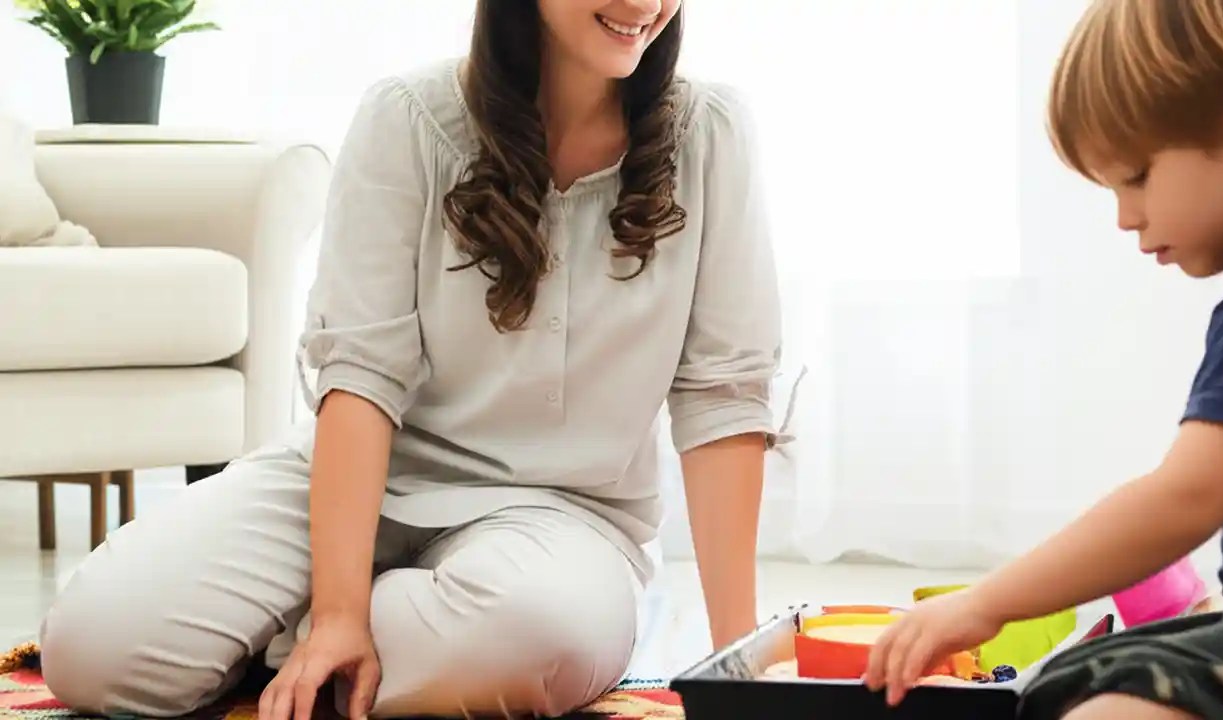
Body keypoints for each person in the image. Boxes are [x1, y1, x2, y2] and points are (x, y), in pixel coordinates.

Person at [35, 1, 786, 718]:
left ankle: (290, 644)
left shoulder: (710, 135)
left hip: (565, 520)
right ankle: (337, 624)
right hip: (362, 471)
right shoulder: (407, 116)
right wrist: (336, 611)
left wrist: (737, 663)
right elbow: (362, 377)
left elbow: (721, 400)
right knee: (90, 648)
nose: (644, 3)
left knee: (531, 635)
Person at [863, 0, 1223, 718]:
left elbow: (1185, 497)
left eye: (1139, 176)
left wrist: (984, 603)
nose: (1126, 216)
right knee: (1079, 670)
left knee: (1101, 705)